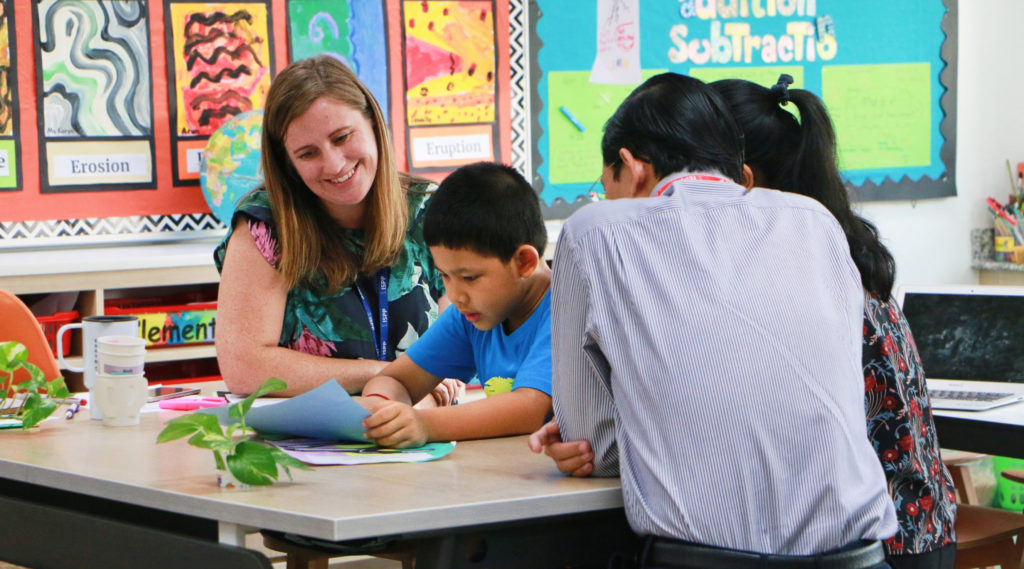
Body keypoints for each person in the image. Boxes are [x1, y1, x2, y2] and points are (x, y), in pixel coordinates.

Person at [529, 72, 897, 569]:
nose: (606, 199)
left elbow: (600, 451)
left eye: (605, 185)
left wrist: (617, 427)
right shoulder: (815, 220)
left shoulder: (595, 231)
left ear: (632, 169)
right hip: (862, 559)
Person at [708, 75, 957, 569]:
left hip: (883, 545)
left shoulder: (799, 275)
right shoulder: (837, 244)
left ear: (742, 181)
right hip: (919, 528)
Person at [214, 55, 453, 399]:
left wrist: (418, 395)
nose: (334, 164)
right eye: (307, 154)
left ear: (373, 123)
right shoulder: (265, 224)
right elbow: (245, 368)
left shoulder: (429, 209)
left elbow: (463, 345)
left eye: (341, 137)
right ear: (289, 164)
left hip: (423, 420)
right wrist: (388, 374)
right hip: (314, 430)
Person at [358, 161, 553, 448]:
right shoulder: (472, 313)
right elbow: (395, 380)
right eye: (444, 276)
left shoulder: (565, 308)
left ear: (524, 262)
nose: (456, 295)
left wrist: (424, 423)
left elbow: (529, 409)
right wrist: (382, 409)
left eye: (469, 277)